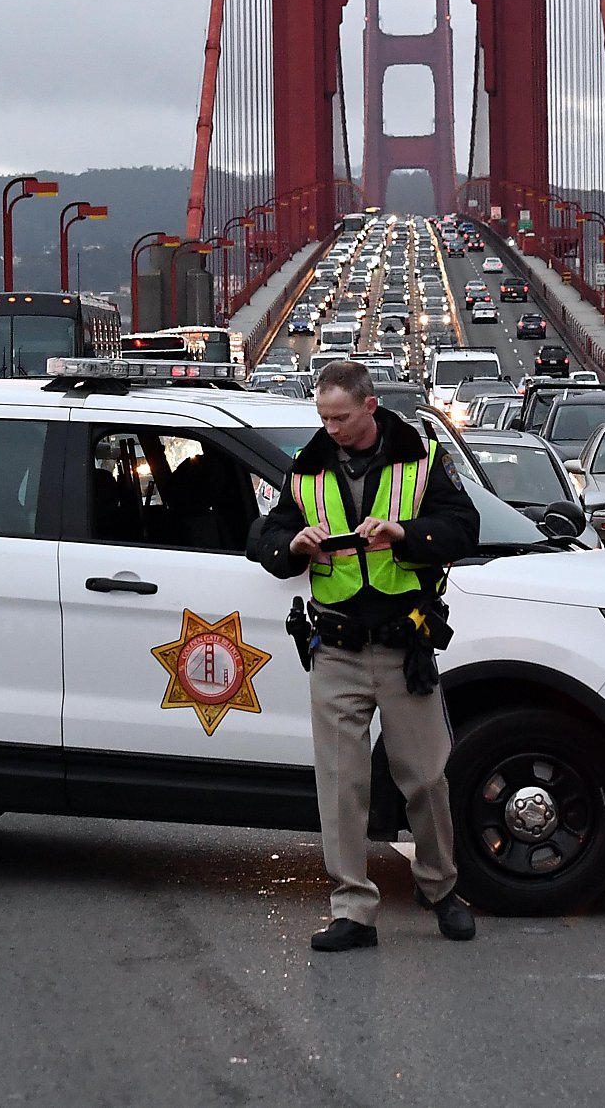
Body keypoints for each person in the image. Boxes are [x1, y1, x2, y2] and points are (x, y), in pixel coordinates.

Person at [251, 361, 481, 952]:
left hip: (405, 646)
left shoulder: (421, 458)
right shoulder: (305, 470)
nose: (331, 429)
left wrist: (405, 534)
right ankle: (352, 909)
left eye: (342, 418)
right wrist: (290, 544)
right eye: (323, 418)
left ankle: (441, 889)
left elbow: (464, 527)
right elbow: (265, 537)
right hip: (336, 648)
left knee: (427, 779)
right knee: (340, 784)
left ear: (370, 407)